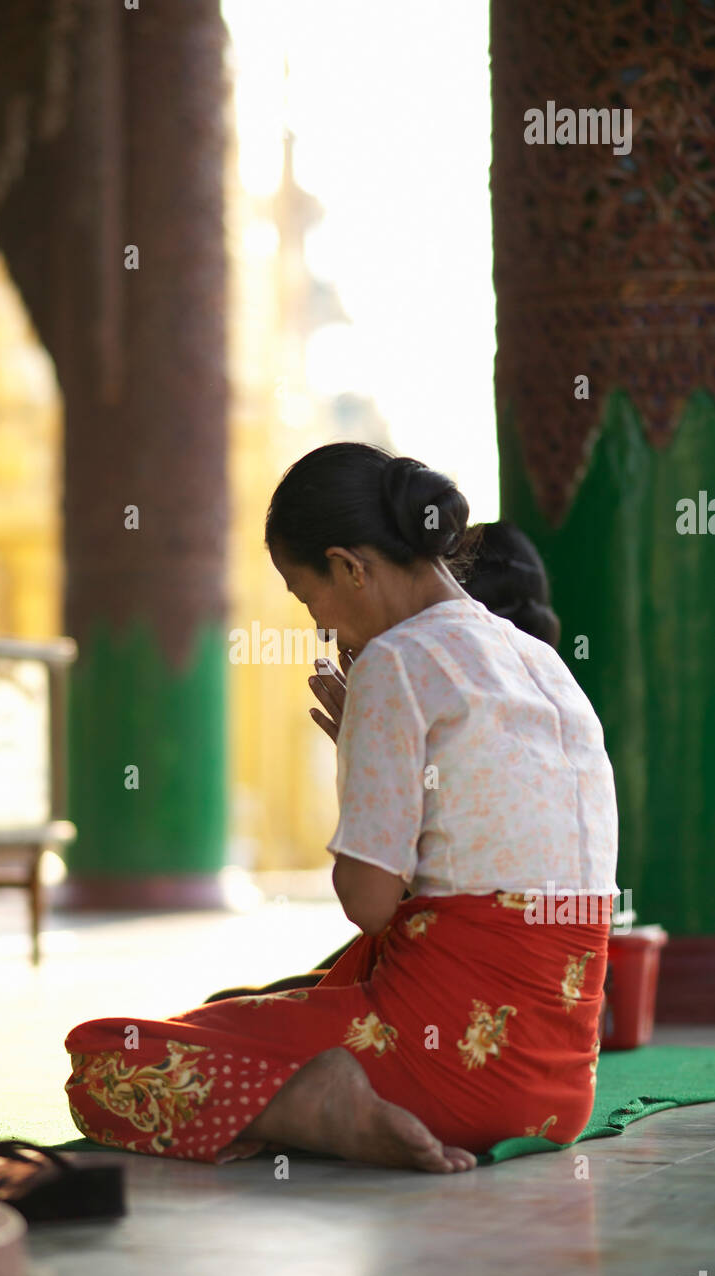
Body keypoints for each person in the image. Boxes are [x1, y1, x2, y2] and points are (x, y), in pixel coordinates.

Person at [64, 443, 619, 1173]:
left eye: (307, 597)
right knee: (237, 1016)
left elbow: (369, 904)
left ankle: (324, 1108)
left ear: (350, 566)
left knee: (105, 1061)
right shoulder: (537, 660)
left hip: (444, 1075)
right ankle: (325, 1095)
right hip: (553, 1093)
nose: (319, 626)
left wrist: (357, 748)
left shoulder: (395, 661)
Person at [205, 518, 563, 1001]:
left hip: (473, 990)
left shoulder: (447, 685)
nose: (323, 630)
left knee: (227, 1013)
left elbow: (381, 903)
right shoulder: (551, 694)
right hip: (526, 987)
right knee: (249, 1001)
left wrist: (369, 752)